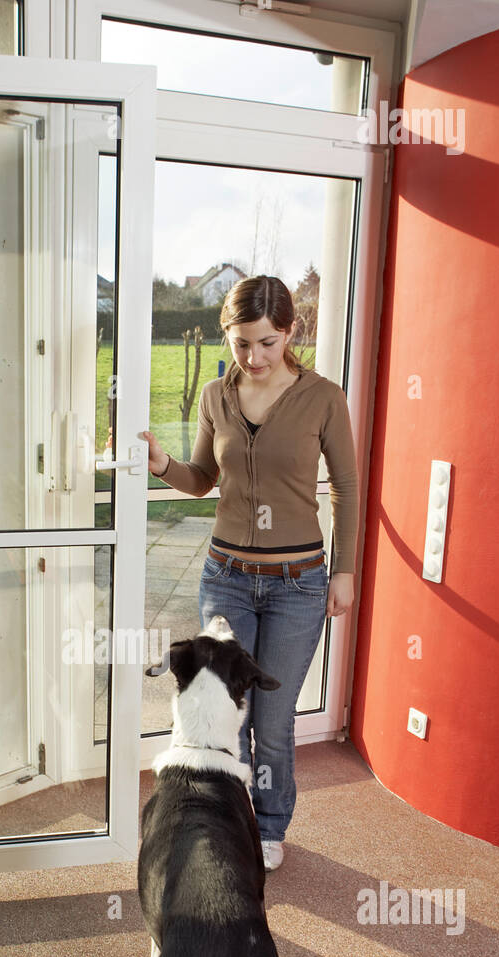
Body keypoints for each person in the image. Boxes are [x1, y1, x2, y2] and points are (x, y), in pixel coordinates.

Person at [142, 275, 359, 871]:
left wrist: (345, 571)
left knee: (272, 717)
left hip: (297, 583)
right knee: (218, 710)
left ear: (289, 332)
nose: (254, 357)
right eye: (241, 343)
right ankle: (218, 820)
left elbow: (346, 486)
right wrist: (163, 464)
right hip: (227, 575)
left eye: (266, 342)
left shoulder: (322, 397)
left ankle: (268, 825)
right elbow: (202, 478)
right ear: (228, 337)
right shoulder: (216, 394)